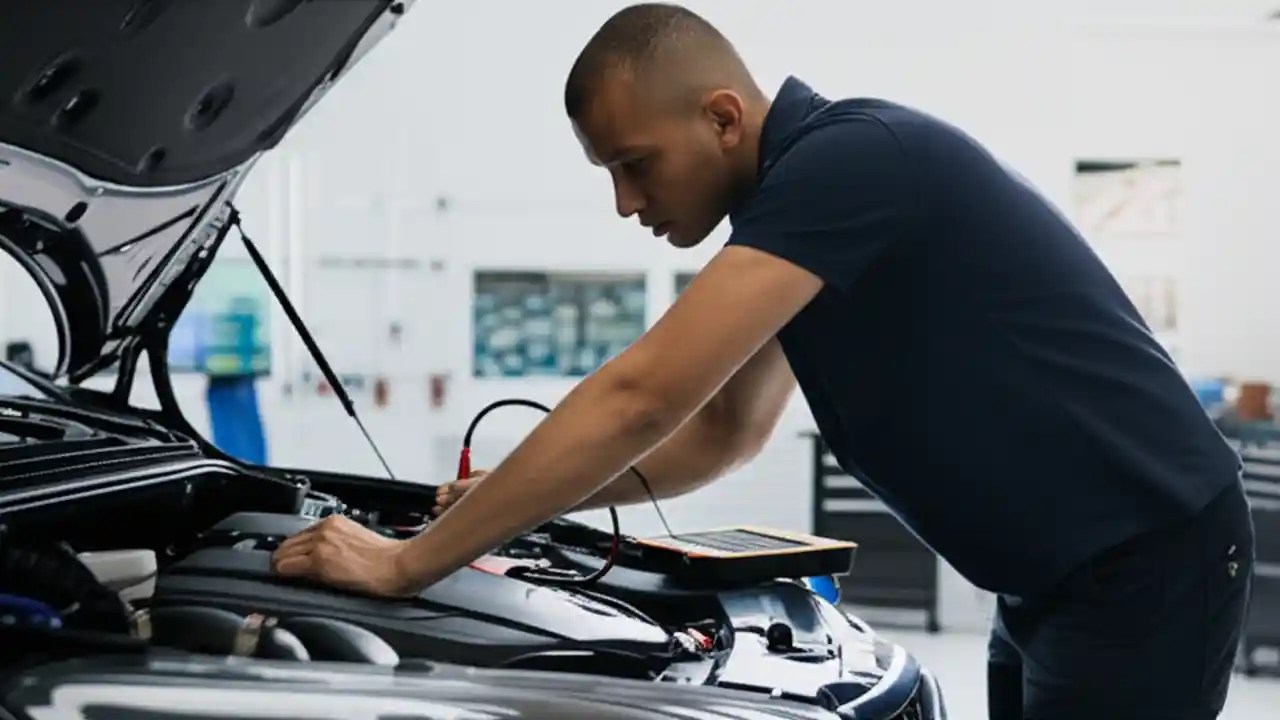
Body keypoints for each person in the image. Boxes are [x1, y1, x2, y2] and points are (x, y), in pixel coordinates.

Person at [271, 4, 1255, 717]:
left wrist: (407, 565)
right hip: (1050, 576)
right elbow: (720, 434)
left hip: (1142, 560)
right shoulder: (801, 209)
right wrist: (521, 503)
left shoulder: (851, 162)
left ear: (723, 119)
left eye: (632, 164)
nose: (625, 203)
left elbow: (644, 395)